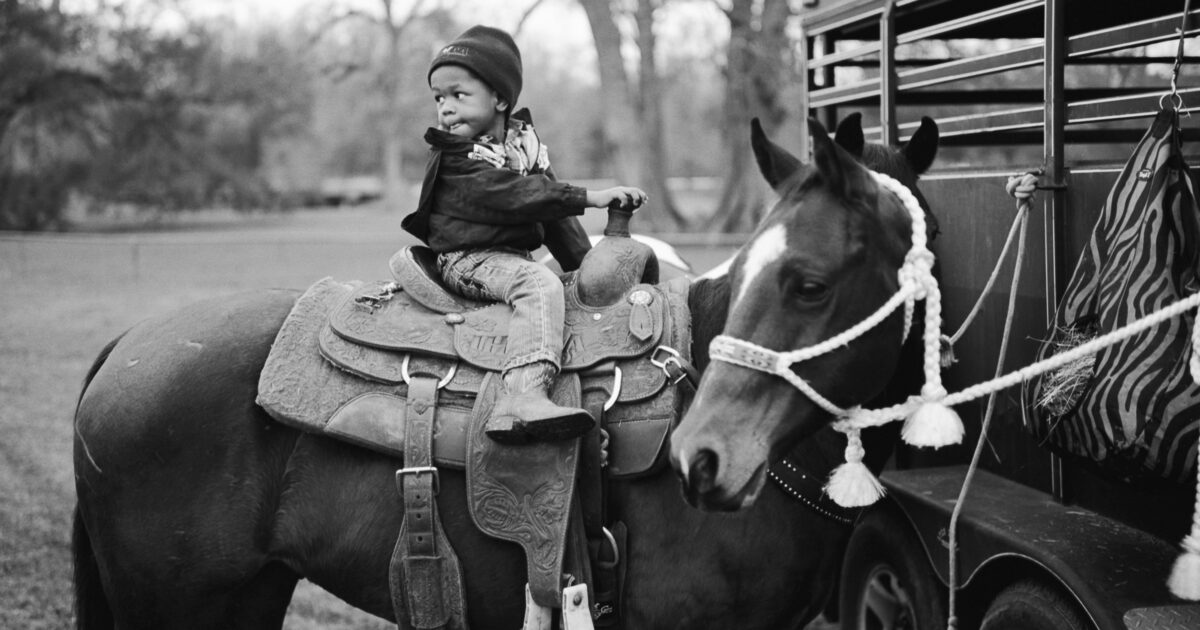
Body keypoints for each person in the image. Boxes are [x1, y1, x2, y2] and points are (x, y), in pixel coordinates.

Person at [402, 25, 647, 444]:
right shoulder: (458, 158)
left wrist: (589, 273)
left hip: (507, 257)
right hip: (467, 258)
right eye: (439, 98)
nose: (445, 108)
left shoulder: (522, 148)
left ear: (500, 98)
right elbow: (518, 196)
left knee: (571, 291)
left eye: (458, 95)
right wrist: (592, 196)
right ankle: (522, 393)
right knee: (538, 284)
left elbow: (554, 218)